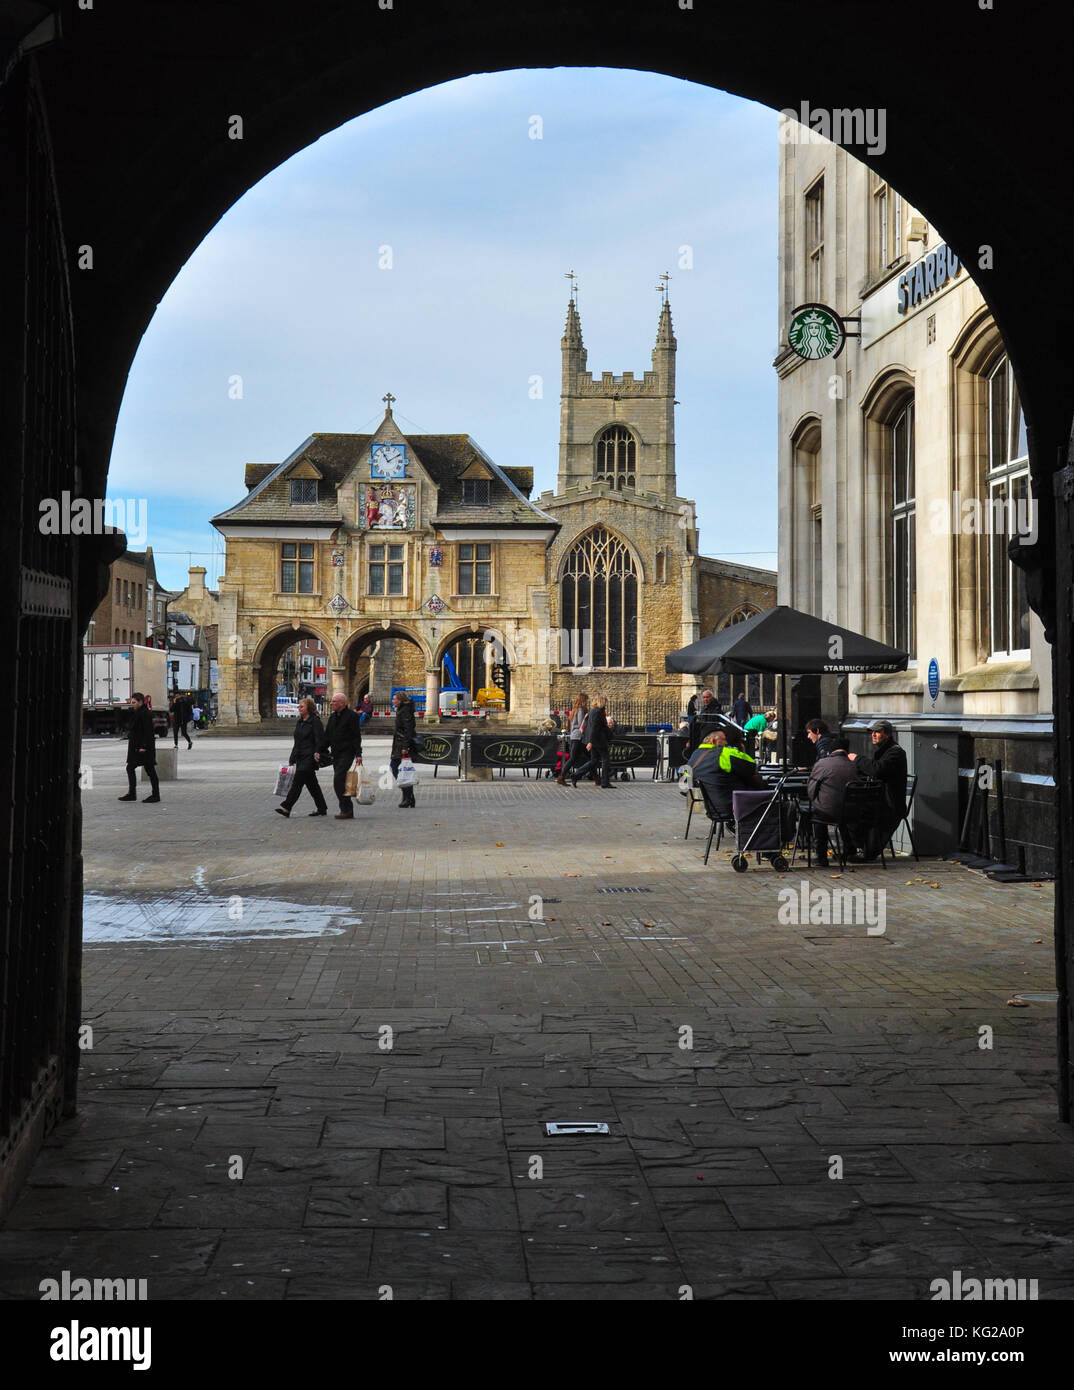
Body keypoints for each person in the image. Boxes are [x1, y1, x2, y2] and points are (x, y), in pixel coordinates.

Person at [848, 719, 908, 859]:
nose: (873, 735)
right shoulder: (883, 751)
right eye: (872, 732)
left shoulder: (895, 752)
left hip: (890, 804)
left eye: (877, 732)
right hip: (880, 802)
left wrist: (857, 759)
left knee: (861, 815)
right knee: (848, 811)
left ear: (887, 734)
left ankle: (864, 851)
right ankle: (852, 849)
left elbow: (877, 770)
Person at [688, 727, 764, 827]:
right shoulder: (724, 754)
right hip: (731, 805)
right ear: (712, 740)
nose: (726, 742)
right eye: (723, 739)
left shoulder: (695, 754)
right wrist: (743, 750)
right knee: (770, 795)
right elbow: (750, 767)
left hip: (712, 808)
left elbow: (686, 775)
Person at [806, 737, 862, 866]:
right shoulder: (855, 765)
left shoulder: (822, 764)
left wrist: (816, 801)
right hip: (853, 812)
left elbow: (811, 790)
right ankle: (850, 850)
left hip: (829, 812)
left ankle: (821, 856)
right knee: (842, 810)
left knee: (819, 813)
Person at [276, 696, 328, 818]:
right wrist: (292, 757)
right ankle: (322, 808)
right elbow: (297, 742)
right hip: (300, 756)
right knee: (312, 785)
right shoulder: (300, 722)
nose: (299, 708)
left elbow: (319, 739)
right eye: (299, 706)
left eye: (301, 706)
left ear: (308, 708)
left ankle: (287, 807)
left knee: (297, 782)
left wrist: (317, 752)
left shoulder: (315, 721)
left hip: (310, 757)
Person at [321, 691, 363, 819]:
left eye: (334, 701)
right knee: (341, 781)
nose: (331, 703)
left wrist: (358, 754)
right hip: (336, 753)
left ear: (342, 703)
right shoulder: (333, 717)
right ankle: (346, 809)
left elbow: (356, 736)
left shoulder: (351, 716)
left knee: (338, 779)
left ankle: (346, 809)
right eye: (332, 701)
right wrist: (319, 750)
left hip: (347, 752)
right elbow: (327, 736)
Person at [118, 692, 160, 803]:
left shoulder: (145, 714)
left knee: (150, 769)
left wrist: (144, 746)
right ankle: (132, 793)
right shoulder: (138, 713)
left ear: (140, 702)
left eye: (134, 702)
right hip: (137, 746)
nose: (132, 704)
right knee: (131, 767)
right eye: (132, 702)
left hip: (143, 747)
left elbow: (148, 731)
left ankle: (155, 795)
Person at [571, 694, 613, 789]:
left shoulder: (593, 711)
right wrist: (590, 742)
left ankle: (576, 774)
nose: (606, 703)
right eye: (605, 701)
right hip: (598, 740)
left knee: (594, 761)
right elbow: (594, 728)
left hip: (595, 740)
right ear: (601, 702)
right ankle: (605, 782)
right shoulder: (598, 712)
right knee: (606, 759)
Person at [391, 690, 417, 808]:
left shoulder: (405, 711)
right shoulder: (402, 710)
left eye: (394, 699)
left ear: (400, 700)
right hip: (399, 744)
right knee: (400, 769)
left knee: (398, 769)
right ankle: (408, 796)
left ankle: (408, 796)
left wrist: (405, 747)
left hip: (402, 745)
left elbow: (408, 730)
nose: (393, 701)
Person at [558, 693, 589, 786]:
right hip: (578, 737)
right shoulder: (580, 710)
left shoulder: (575, 709)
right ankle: (561, 777)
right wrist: (587, 721)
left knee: (589, 758)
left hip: (575, 736)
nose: (587, 702)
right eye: (586, 700)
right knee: (573, 759)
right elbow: (581, 724)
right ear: (583, 700)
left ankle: (596, 778)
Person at [687, 688, 723, 754]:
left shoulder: (716, 709)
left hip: (711, 738)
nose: (705, 699)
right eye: (704, 697)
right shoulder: (704, 709)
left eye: (707, 697)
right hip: (702, 737)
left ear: (711, 697)